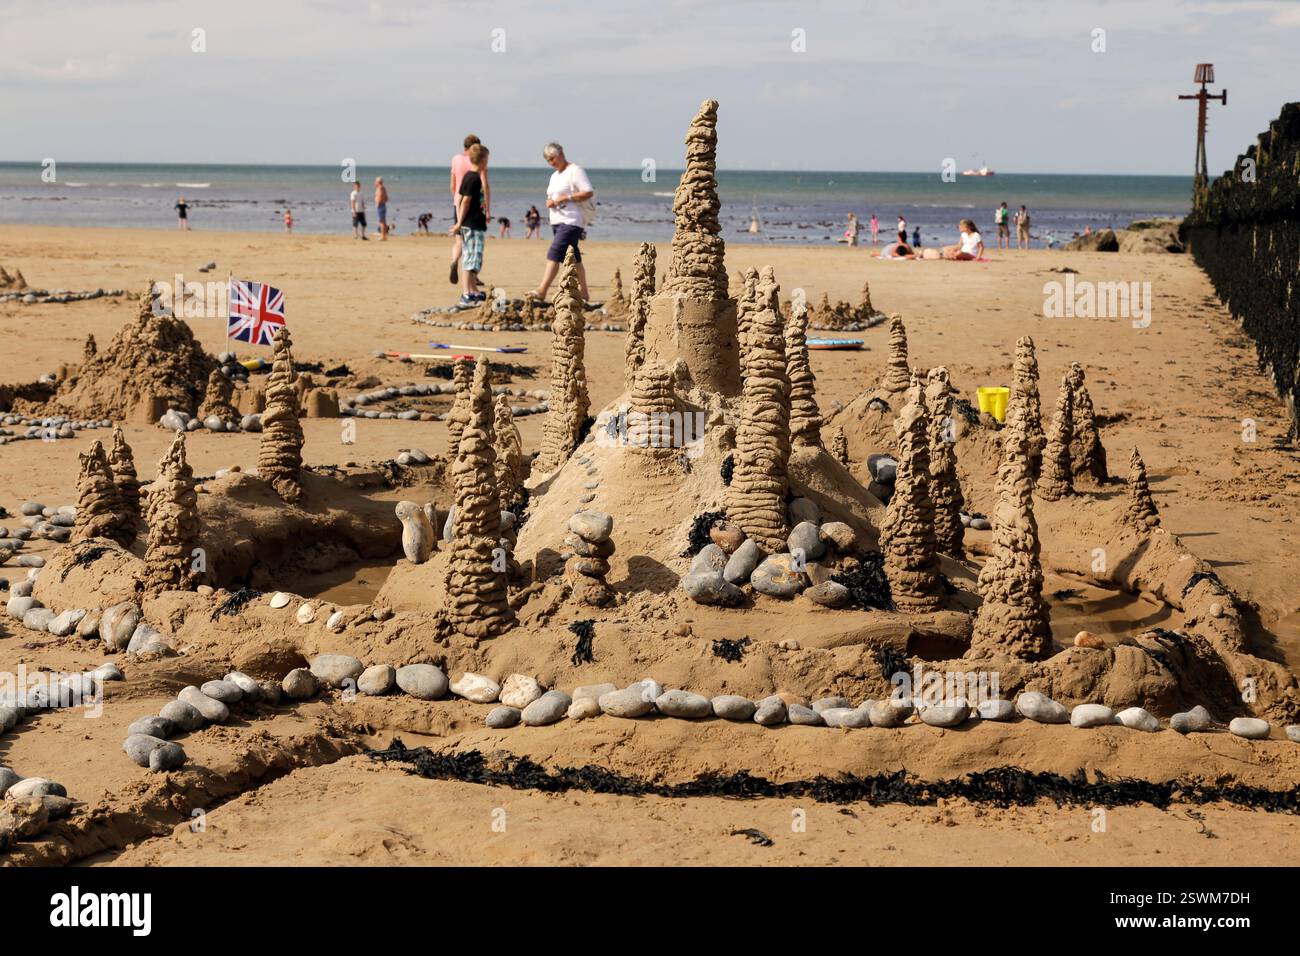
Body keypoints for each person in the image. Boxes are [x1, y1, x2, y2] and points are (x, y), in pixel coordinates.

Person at [530, 142, 595, 302]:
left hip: (572, 220)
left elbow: (588, 192)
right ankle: (585, 294)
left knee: (554, 253)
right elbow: (554, 195)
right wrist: (550, 201)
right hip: (557, 221)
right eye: (548, 160)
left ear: (561, 154)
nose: (551, 162)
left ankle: (542, 290)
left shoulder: (575, 171)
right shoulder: (555, 175)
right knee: (574, 257)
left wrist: (565, 198)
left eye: (552, 158)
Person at [447, 143, 489, 305]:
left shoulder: (468, 176)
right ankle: (466, 293)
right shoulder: (474, 178)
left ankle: (473, 290)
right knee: (471, 259)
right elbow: (465, 201)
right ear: (483, 159)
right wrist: (459, 223)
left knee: (472, 258)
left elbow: (458, 198)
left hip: (472, 223)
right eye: (487, 159)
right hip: (472, 224)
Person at [374, 177, 390, 241]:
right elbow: (386, 198)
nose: (374, 182)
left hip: (380, 206)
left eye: (375, 181)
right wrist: (383, 202)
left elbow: (380, 196)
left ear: (378, 182)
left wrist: (378, 204)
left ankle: (383, 237)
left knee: (382, 222)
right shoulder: (383, 188)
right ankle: (384, 236)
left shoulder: (380, 188)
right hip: (383, 205)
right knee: (383, 221)